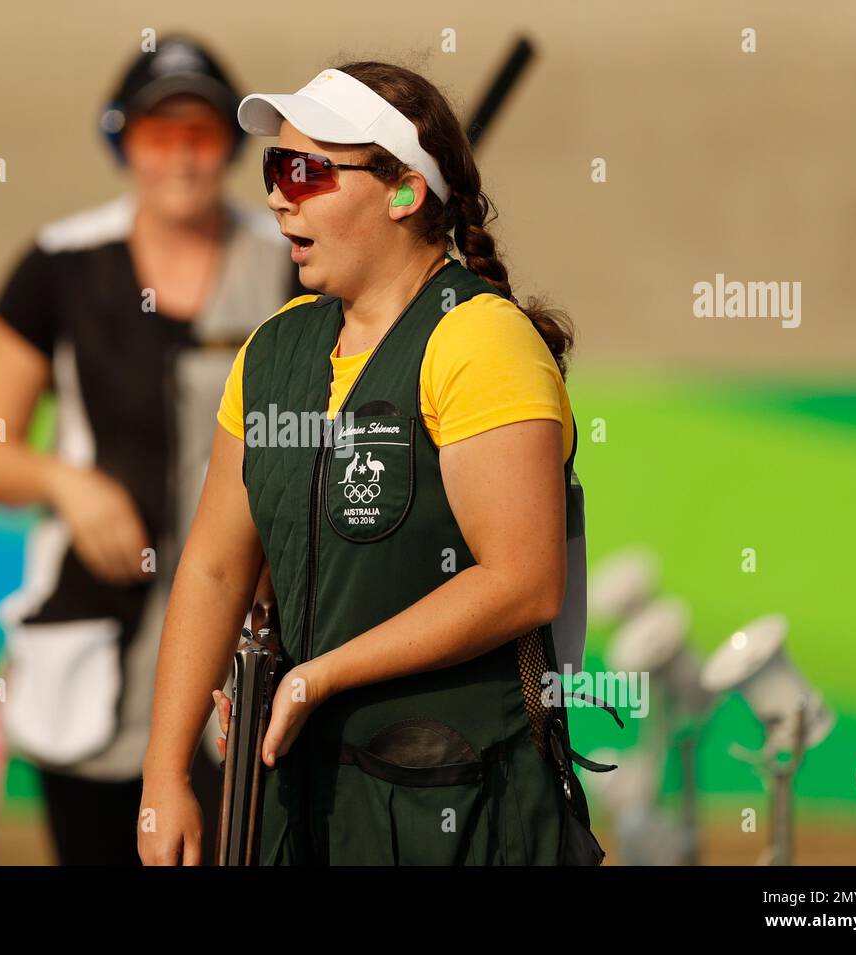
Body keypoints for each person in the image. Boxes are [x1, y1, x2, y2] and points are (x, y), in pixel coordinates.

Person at [139, 61, 596, 866]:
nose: (279, 194)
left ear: (404, 192)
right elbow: (214, 568)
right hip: (302, 805)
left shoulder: (478, 341)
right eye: (274, 169)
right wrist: (165, 771)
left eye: (306, 171)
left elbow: (523, 578)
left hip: (459, 810)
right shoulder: (277, 347)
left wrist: (316, 679)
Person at [0, 36, 306, 865]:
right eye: (157, 134)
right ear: (122, 143)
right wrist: (68, 484)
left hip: (252, 647)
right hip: (93, 642)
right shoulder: (60, 265)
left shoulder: (291, 261)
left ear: (231, 144)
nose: (181, 158)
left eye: (203, 134)